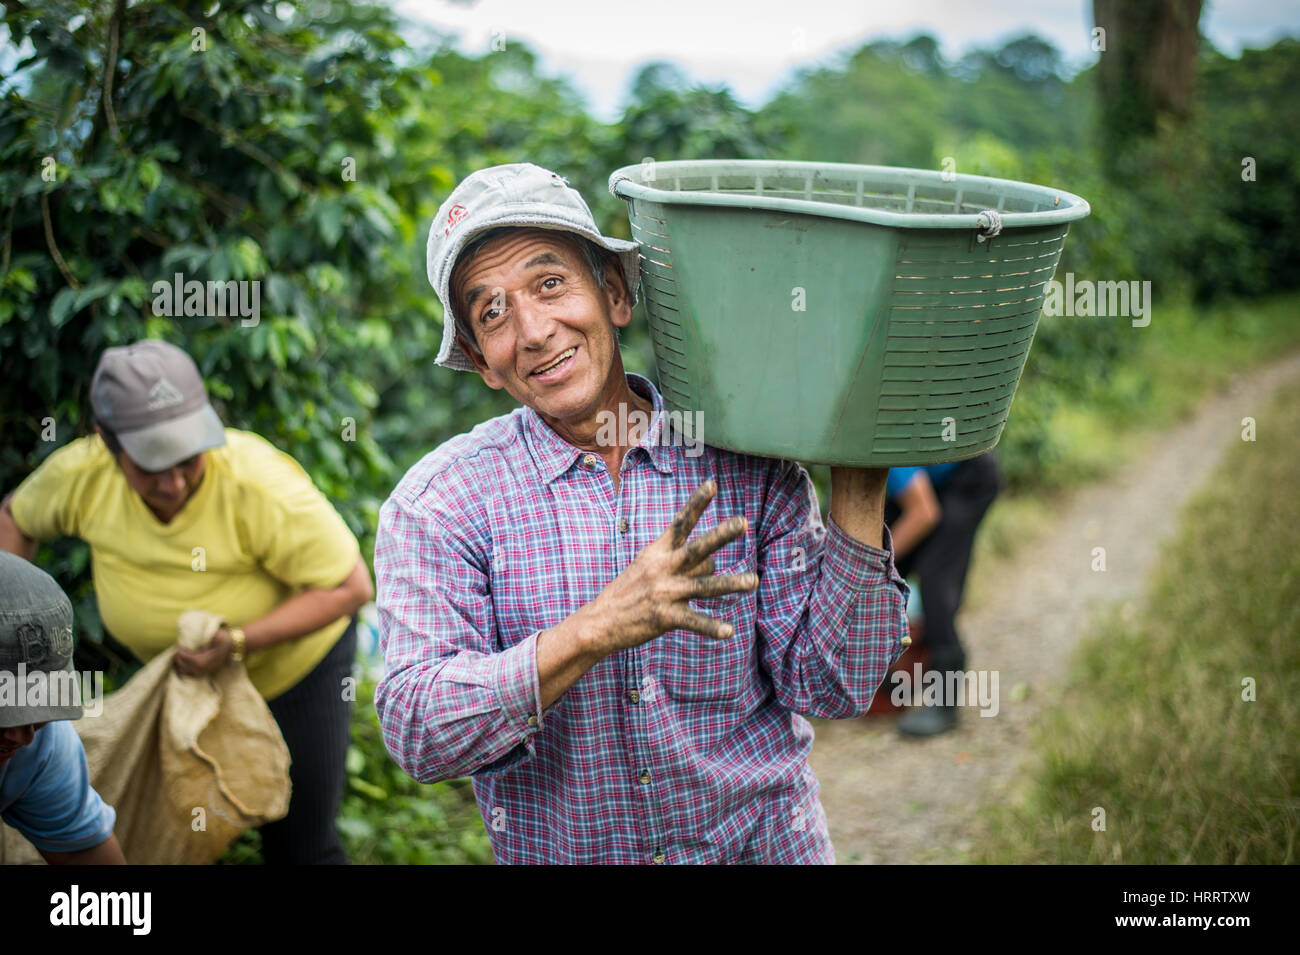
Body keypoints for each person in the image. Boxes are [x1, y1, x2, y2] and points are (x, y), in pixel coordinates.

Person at [374, 162, 911, 864]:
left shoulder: (744, 456)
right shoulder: (440, 504)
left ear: (616, 294)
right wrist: (591, 631)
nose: (533, 330)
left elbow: (835, 684)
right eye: (493, 312)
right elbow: (420, 731)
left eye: (550, 283)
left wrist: (860, 482)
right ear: (483, 361)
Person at [0, 340, 372, 864]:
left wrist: (239, 641)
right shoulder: (81, 477)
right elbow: (16, 517)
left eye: (186, 459)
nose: (172, 483)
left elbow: (351, 586)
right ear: (108, 443)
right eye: (151, 466)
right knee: (172, 820)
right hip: (178, 677)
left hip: (292, 672)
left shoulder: (257, 483)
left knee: (302, 844)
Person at [0, 552, 125, 864]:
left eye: (36, 711)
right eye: (4, 714)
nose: (22, 736)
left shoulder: (41, 745)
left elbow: (79, 853)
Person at [885, 454, 1001, 737]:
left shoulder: (885, 455)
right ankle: (898, 674)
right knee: (892, 568)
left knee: (935, 577)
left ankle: (945, 701)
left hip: (969, 479)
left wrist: (875, 567)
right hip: (932, 485)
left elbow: (924, 513)